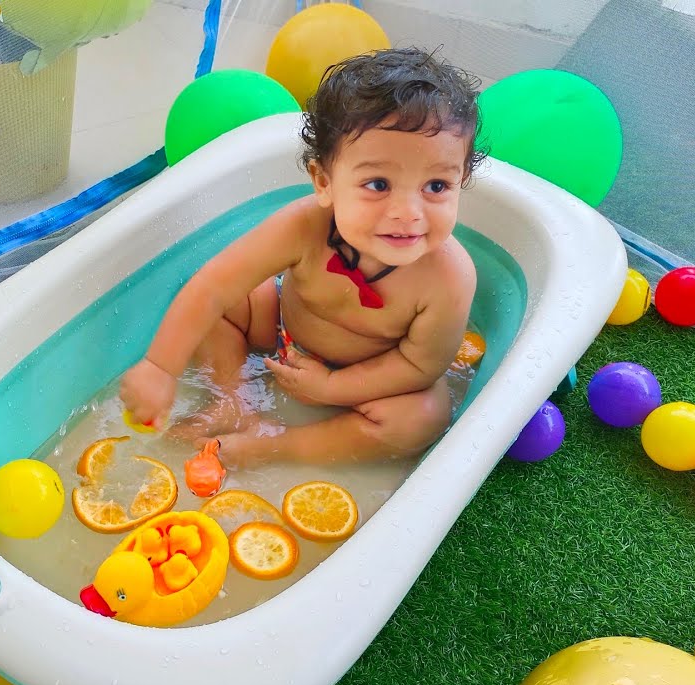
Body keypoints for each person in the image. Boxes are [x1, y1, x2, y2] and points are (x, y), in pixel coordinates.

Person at [120, 47, 483, 467]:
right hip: (284, 335)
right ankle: (235, 400)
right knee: (225, 302)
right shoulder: (304, 227)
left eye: (436, 186)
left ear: (462, 180)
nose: (408, 213)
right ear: (324, 182)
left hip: (374, 381)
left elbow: (419, 365)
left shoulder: (448, 277)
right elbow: (214, 287)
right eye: (378, 184)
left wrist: (333, 387)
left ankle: (276, 445)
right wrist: (160, 367)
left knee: (423, 417)